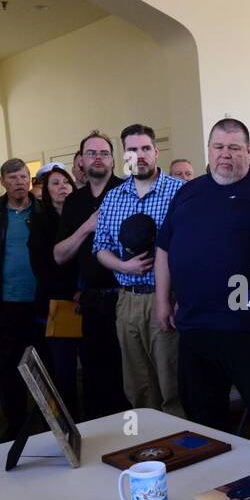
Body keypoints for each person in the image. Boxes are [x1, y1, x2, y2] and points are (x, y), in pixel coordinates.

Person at [155, 118, 250, 445]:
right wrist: (161, 300)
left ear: (249, 150)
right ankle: (212, 485)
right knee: (202, 421)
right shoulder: (189, 192)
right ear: (209, 150)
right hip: (195, 327)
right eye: (218, 147)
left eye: (234, 148)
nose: (225, 155)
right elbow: (164, 247)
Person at [94, 124, 185, 414]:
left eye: (146, 148)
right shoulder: (114, 197)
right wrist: (123, 265)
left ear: (156, 151)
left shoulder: (180, 192)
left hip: (165, 298)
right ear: (125, 155)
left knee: (172, 382)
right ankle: (147, 446)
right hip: (127, 301)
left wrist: (179, 297)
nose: (140, 155)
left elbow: (190, 249)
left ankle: (182, 445)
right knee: (138, 383)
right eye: (133, 149)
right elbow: (100, 247)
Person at [0, 158, 45, 438]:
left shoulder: (43, 210)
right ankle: (16, 424)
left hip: (39, 303)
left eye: (24, 177)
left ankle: (46, 420)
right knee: (8, 367)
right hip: (4, 304)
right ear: (3, 182)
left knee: (42, 365)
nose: (19, 183)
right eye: (13, 178)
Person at [57, 132, 129, 420]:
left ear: (113, 160)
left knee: (127, 376)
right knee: (93, 375)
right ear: (81, 161)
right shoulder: (74, 202)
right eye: (91, 153)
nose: (97, 157)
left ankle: (132, 438)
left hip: (125, 299)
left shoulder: (127, 193)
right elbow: (59, 255)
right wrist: (88, 226)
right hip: (89, 303)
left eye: (103, 152)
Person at [27, 163, 86, 419]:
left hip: (88, 301)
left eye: (66, 182)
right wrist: (71, 290)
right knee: (63, 371)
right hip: (59, 304)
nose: (62, 187)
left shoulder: (82, 217)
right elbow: (42, 268)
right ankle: (66, 422)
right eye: (55, 183)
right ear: (46, 191)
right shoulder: (41, 223)